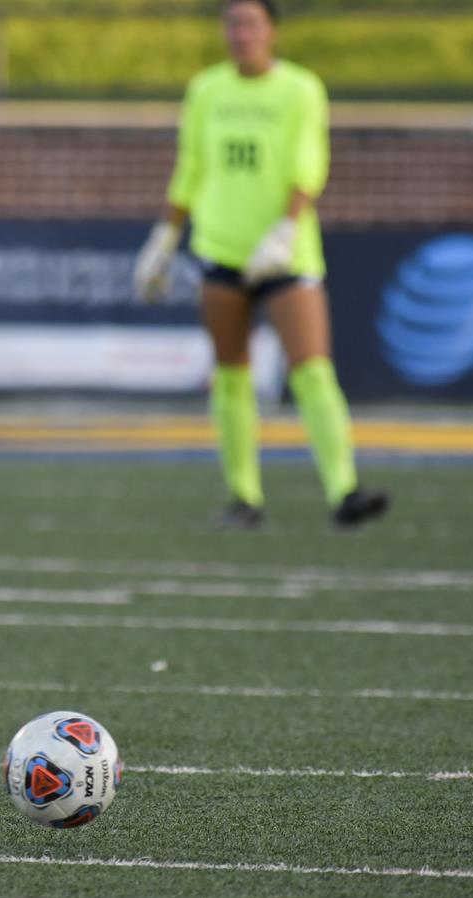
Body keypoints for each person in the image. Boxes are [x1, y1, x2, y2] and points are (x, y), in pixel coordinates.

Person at [132, 0, 388, 530]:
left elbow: (309, 163)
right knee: (231, 375)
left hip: (285, 255)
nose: (240, 33)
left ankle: (345, 490)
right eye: (232, 24)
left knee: (312, 370)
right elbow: (192, 166)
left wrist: (287, 227)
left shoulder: (300, 89)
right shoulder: (207, 89)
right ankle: (243, 497)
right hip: (221, 250)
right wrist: (166, 236)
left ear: (272, 31)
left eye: (251, 23)